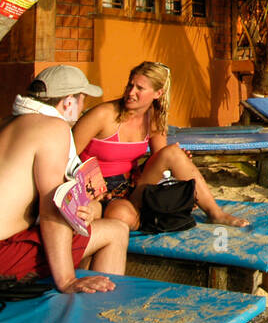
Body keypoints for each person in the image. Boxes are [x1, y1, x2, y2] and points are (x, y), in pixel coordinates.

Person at [0, 65, 128, 293]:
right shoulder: (53, 128)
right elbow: (53, 206)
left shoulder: (7, 124)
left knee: (84, 229)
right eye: (82, 100)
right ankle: (102, 317)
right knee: (116, 231)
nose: (83, 109)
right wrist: (67, 281)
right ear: (68, 102)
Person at [74, 61, 250, 229]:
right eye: (130, 85)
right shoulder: (103, 115)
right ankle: (142, 215)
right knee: (121, 215)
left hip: (131, 185)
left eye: (140, 88)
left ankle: (215, 213)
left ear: (157, 93)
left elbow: (160, 160)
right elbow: (65, 157)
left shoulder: (154, 117)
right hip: (94, 188)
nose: (130, 92)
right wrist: (89, 191)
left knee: (173, 153)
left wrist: (178, 161)